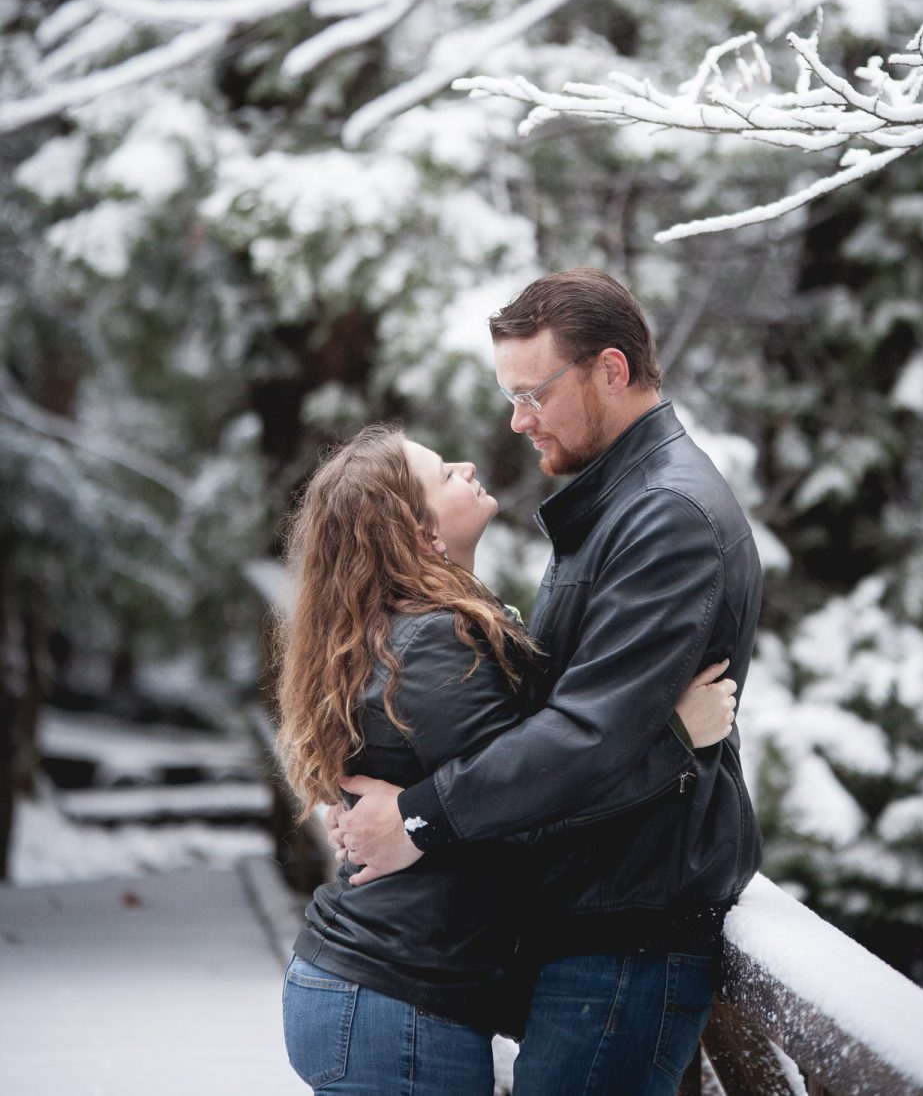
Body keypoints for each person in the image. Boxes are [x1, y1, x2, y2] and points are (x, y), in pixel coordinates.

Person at [331, 269, 764, 1094]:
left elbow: (586, 737)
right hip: (589, 925)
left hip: (626, 935)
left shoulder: (664, 513)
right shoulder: (613, 504)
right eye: (510, 395)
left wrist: (416, 817)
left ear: (610, 370)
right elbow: (530, 714)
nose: (516, 420)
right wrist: (373, 795)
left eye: (534, 393)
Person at [277, 422, 737, 1096]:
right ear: (420, 533)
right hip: (393, 1004)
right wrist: (673, 735)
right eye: (442, 473)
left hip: (378, 994)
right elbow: (528, 812)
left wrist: (407, 819)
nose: (466, 465)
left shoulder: (411, 630)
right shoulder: (433, 644)